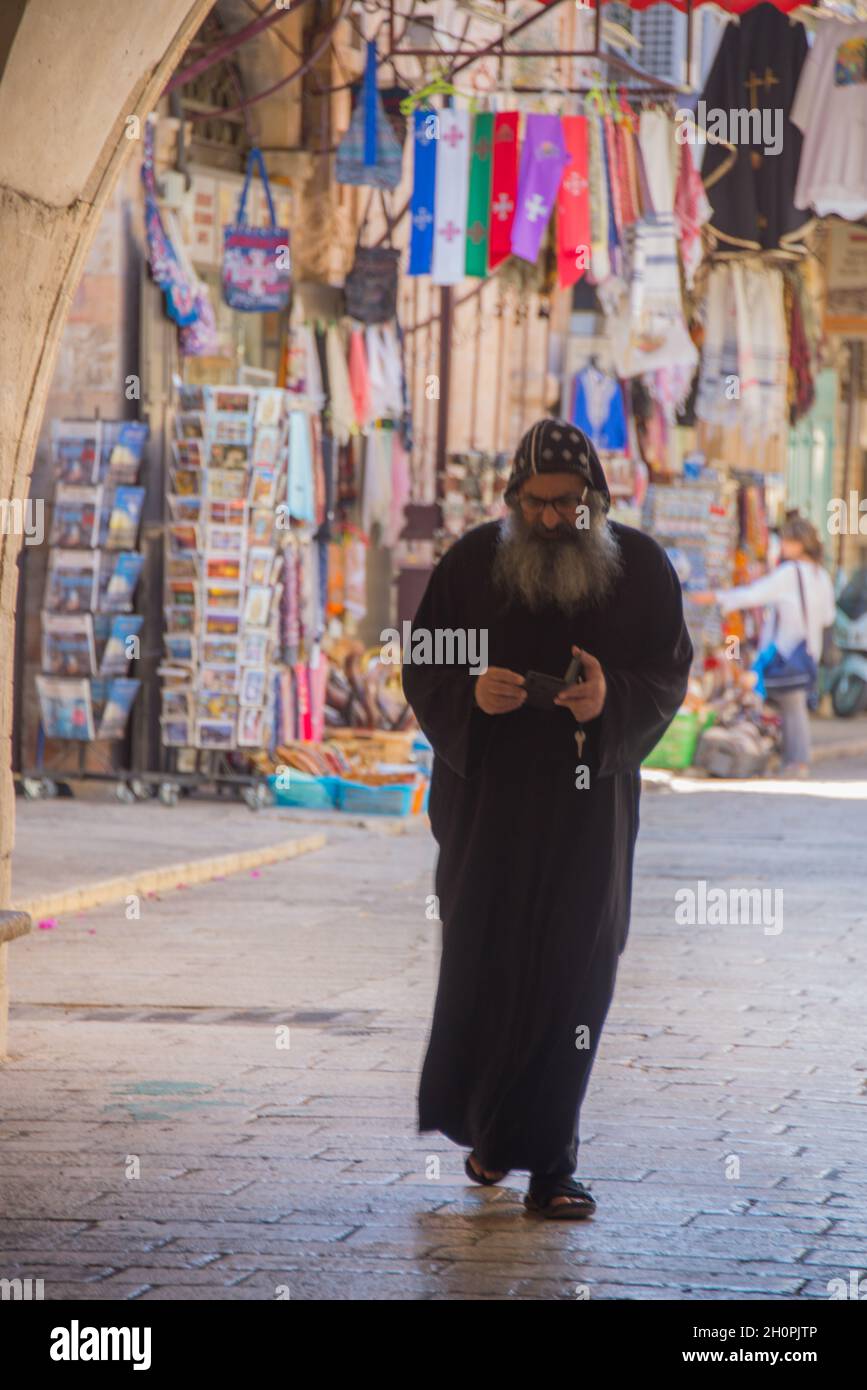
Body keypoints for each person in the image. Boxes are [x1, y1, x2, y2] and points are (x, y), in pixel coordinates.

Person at [402, 418, 692, 1220]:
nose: (553, 521)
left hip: (587, 812)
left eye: (569, 505)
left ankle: (552, 1167)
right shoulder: (470, 566)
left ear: (596, 499)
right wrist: (472, 692)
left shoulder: (638, 570)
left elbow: (666, 670)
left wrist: (611, 700)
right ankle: (493, 1139)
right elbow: (424, 663)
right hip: (489, 811)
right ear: (512, 500)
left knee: (576, 973)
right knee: (491, 970)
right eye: (536, 505)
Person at [695, 513, 836, 777]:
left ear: (798, 543)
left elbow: (754, 594)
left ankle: (798, 762)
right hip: (808, 652)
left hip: (785, 652)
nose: (781, 545)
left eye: (786, 540)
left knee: (791, 708)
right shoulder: (821, 576)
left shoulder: (790, 573)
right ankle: (786, 759)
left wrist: (715, 596)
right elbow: (829, 616)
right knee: (790, 704)